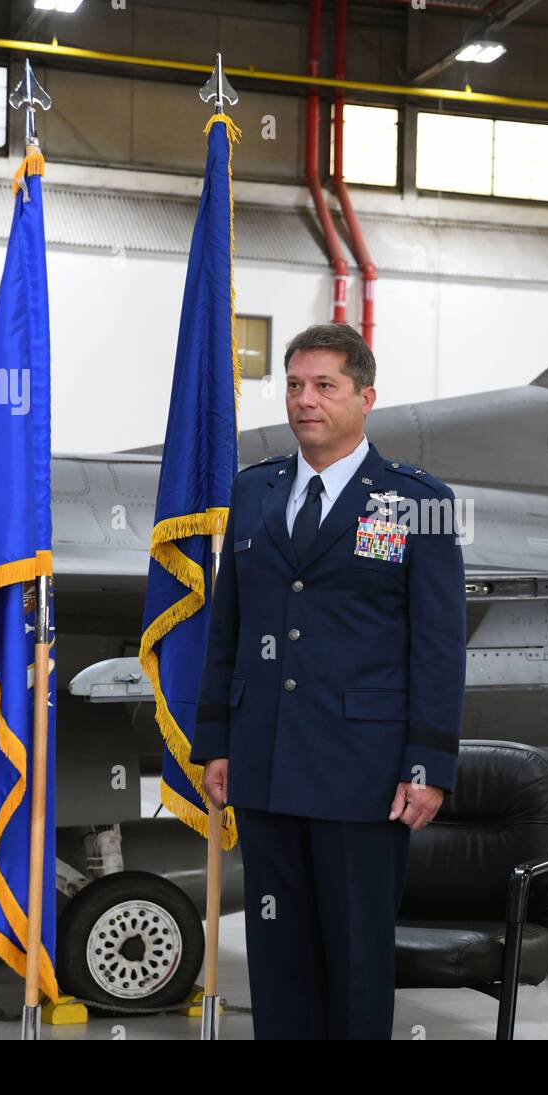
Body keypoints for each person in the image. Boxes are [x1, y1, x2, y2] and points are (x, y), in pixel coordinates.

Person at [190, 322, 466, 1040]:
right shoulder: (254, 492)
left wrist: (429, 763)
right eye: (293, 385)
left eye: (323, 385)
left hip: (364, 772)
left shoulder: (418, 501)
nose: (304, 400)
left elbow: (439, 646)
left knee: (354, 958)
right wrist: (216, 741)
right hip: (267, 762)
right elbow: (230, 625)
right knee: (277, 957)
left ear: (365, 397)